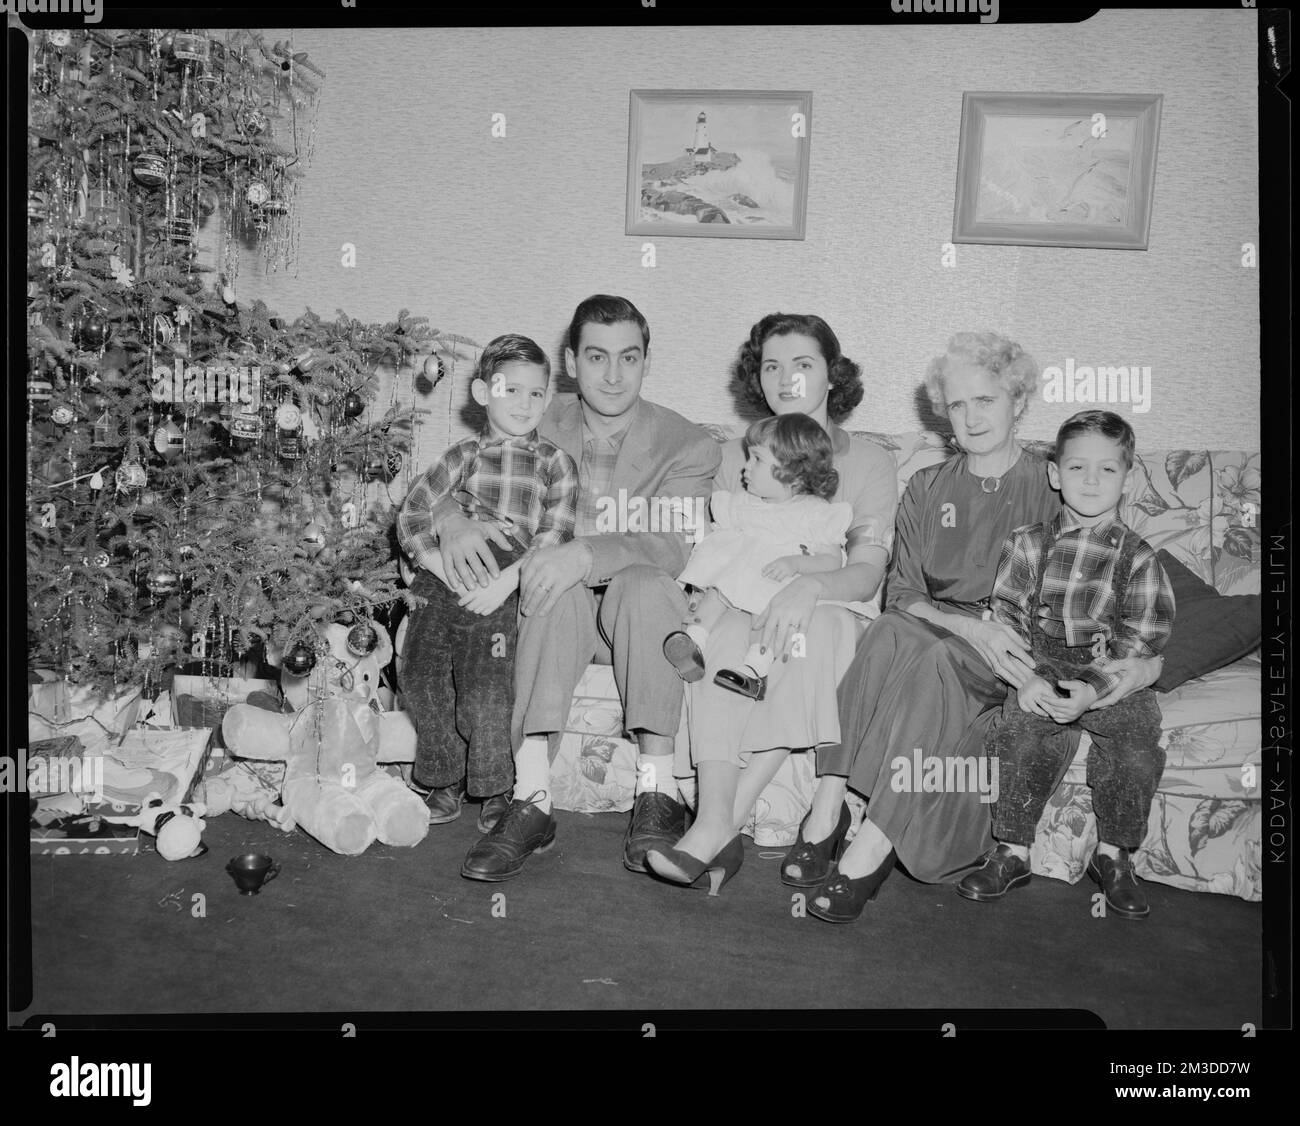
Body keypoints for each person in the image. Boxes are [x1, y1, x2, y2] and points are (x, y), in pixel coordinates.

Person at [793, 332, 1164, 923]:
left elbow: (1120, 566)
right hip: (949, 630)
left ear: (1017, 402)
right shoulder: (927, 486)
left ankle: (871, 848)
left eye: (986, 400)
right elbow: (903, 594)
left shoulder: (1057, 480)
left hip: (1022, 648)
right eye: (958, 404)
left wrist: (1143, 664)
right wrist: (969, 630)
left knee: (937, 660)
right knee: (889, 632)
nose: (971, 417)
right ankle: (829, 804)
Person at [431, 295, 721, 881]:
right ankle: (533, 797)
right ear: (570, 361)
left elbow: (673, 545)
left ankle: (656, 793)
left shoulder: (689, 444)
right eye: (596, 357)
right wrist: (451, 521)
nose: (613, 376)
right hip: (550, 613)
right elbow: (451, 477)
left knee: (642, 580)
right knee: (551, 581)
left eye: (629, 358)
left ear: (646, 361)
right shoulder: (534, 410)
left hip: (635, 619)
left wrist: (584, 553)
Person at [648, 313, 897, 892]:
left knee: (811, 637)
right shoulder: (737, 454)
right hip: (745, 596)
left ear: (833, 376)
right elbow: (724, 546)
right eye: (772, 366)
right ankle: (713, 821)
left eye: (803, 365)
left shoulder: (868, 462)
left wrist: (808, 586)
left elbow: (864, 568)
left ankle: (722, 825)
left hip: (831, 598)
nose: (787, 379)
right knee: (720, 649)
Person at [957, 410, 1174, 919]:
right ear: (1055, 474)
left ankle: (1115, 855)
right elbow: (1004, 623)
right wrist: (1026, 678)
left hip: (1109, 670)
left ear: (1128, 477)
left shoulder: (1140, 557)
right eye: (1077, 468)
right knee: (1018, 733)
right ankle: (1013, 851)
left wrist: (1094, 690)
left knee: (1137, 742)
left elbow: (1139, 638)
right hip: (1042, 660)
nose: (1092, 481)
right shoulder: (1027, 542)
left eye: (1107, 470)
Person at [396, 334, 578, 833]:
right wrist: (434, 563)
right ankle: (442, 777)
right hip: (445, 576)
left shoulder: (556, 463)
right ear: (481, 393)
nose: (523, 404)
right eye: (509, 389)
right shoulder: (462, 455)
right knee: (423, 675)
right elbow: (414, 511)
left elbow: (555, 535)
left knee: (488, 688)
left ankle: (497, 785)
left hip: (507, 578)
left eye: (535, 393)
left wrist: (508, 582)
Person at [663, 412, 852, 703]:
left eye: (757, 460)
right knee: (717, 592)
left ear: (794, 471)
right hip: (740, 577)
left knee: (774, 621)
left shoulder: (814, 512)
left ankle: (755, 670)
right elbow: (717, 538)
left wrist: (795, 563)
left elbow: (832, 561)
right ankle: (695, 642)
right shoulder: (743, 505)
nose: (745, 468)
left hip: (778, 586)